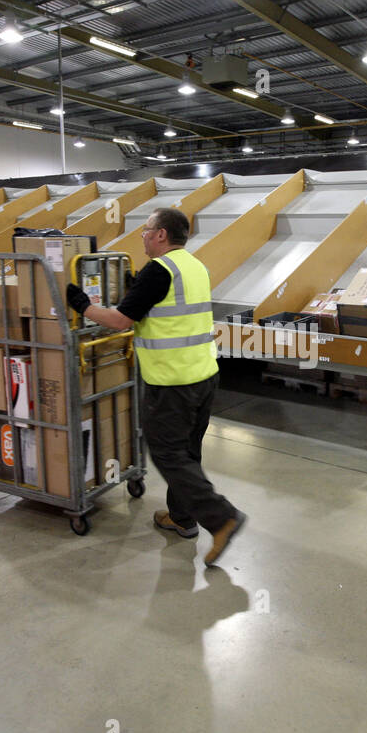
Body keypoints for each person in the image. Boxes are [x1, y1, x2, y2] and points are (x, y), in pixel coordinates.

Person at [64, 207, 247, 565]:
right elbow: (168, 309)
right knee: (188, 451)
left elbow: (118, 320)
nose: (143, 237)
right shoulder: (195, 266)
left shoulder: (158, 271)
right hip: (204, 374)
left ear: (161, 234)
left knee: (167, 453)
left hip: (172, 382)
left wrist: (83, 305)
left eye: (147, 230)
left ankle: (221, 517)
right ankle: (182, 518)